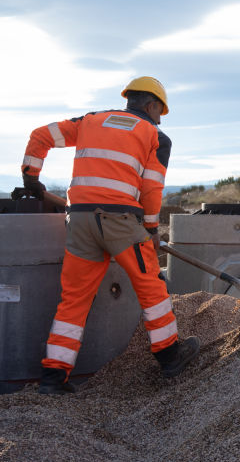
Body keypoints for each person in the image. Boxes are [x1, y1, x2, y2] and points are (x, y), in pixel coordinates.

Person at [21, 76, 200, 395]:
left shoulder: (90, 121)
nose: (160, 118)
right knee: (151, 287)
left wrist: (31, 178)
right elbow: (151, 188)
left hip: (79, 221)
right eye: (161, 111)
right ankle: (170, 355)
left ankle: (53, 377)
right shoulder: (156, 136)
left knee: (74, 299)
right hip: (121, 223)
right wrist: (151, 229)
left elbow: (40, 136)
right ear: (152, 105)